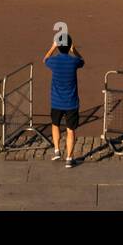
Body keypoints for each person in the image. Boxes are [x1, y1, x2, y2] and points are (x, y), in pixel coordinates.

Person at [43, 34, 85, 167]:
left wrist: (52, 47)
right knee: (70, 130)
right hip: (71, 102)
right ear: (69, 46)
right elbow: (82, 60)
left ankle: (56, 150)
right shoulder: (74, 62)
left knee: (55, 125)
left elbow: (45, 59)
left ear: (59, 47)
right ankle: (69, 158)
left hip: (56, 101)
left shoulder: (54, 62)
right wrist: (74, 50)